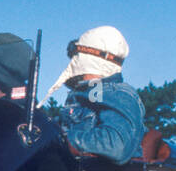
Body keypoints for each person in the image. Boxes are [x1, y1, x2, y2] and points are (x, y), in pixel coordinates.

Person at [40, 25, 145, 163]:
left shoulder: (116, 94)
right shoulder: (84, 95)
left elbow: (116, 145)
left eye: (76, 54)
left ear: (87, 58)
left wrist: (61, 139)